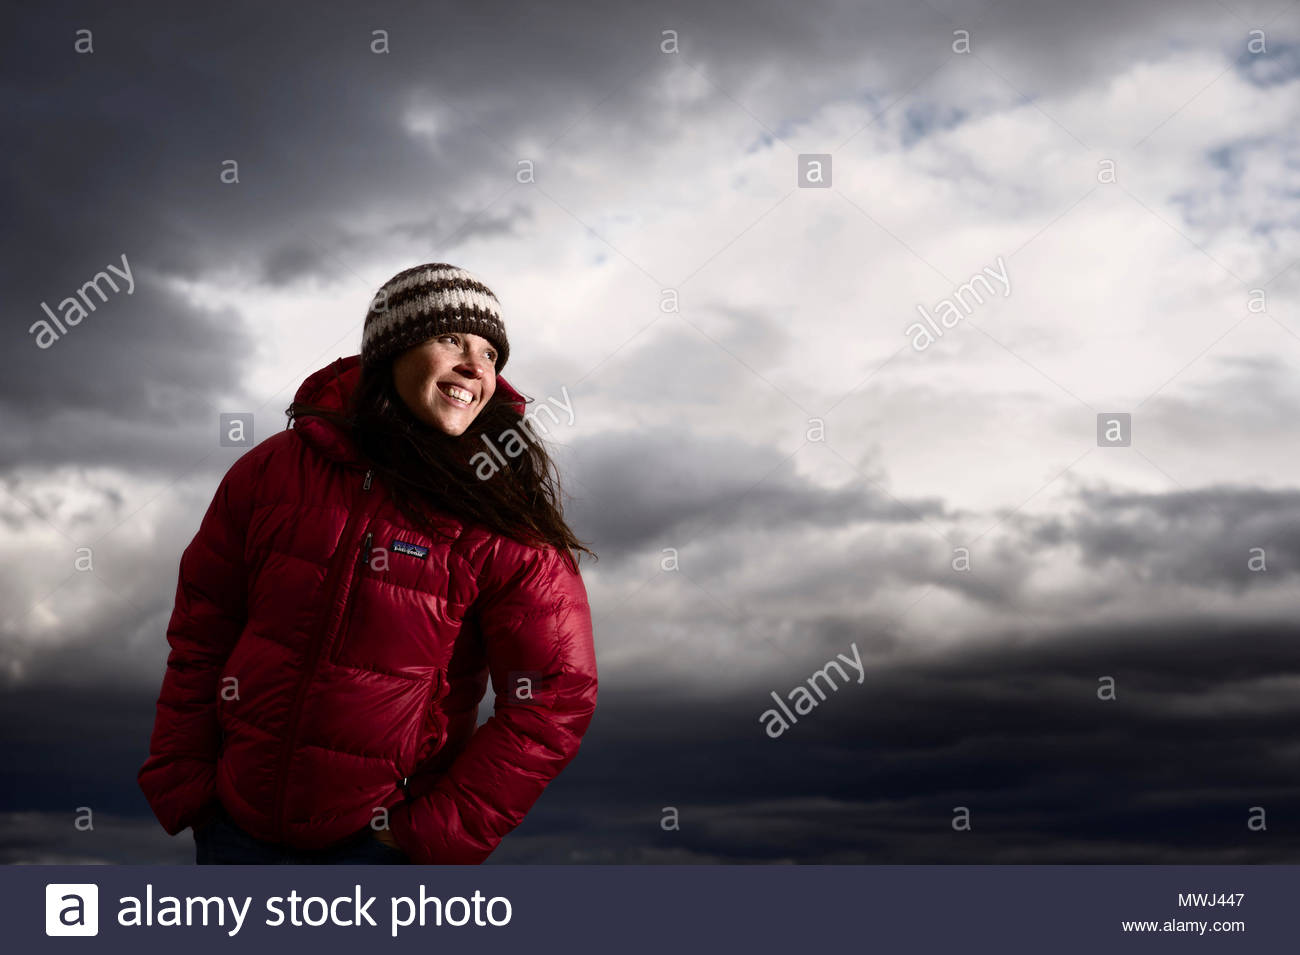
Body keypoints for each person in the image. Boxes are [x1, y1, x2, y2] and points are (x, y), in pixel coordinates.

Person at [138, 263, 599, 865]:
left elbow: (556, 693)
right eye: (452, 340)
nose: (476, 368)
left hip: (381, 848)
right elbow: (203, 630)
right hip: (237, 829)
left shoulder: (502, 514)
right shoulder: (273, 470)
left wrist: (434, 830)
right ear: (393, 349)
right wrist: (188, 780)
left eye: (490, 354)